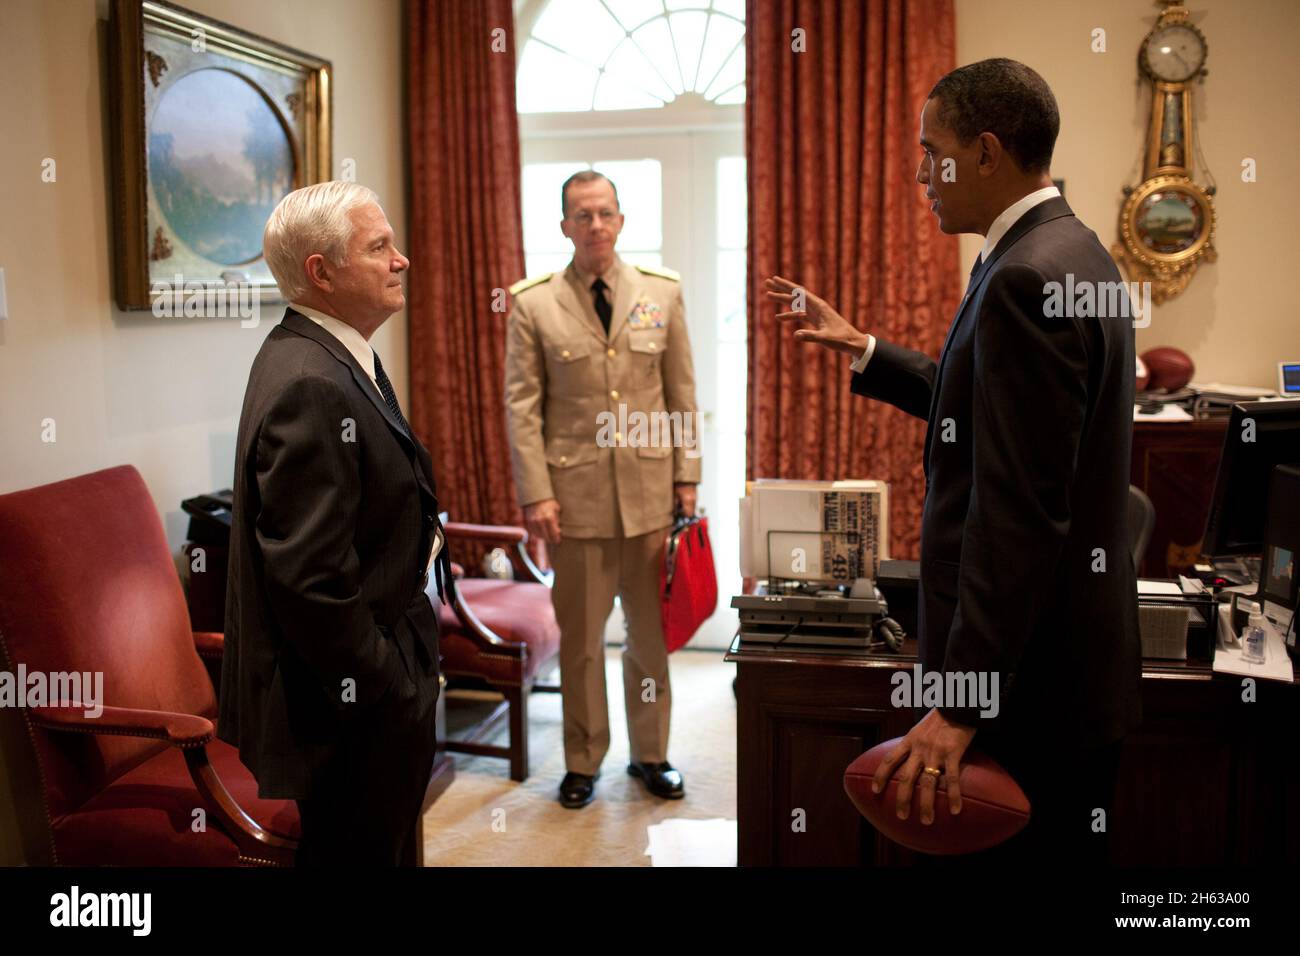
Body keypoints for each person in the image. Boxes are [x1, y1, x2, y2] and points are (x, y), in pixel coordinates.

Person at [767, 59, 1142, 863]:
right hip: (1069, 675)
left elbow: (1020, 515)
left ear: (984, 151)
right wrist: (868, 348)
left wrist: (965, 701)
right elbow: (985, 409)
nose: (917, 173)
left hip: (1027, 694)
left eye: (928, 151)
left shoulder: (1025, 279)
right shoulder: (1069, 253)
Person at [219, 181, 450, 866]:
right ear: (321, 272)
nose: (401, 260)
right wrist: (382, 684)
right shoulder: (311, 381)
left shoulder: (334, 352)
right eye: (379, 247)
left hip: (379, 675)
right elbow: (311, 579)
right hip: (350, 710)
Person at [505, 170, 702, 809]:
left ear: (621, 221)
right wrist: (536, 494)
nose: (595, 225)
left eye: (605, 213)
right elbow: (522, 407)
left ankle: (651, 755)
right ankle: (583, 760)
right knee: (583, 645)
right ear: (564, 226)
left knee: (649, 642)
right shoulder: (533, 303)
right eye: (582, 215)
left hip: (648, 496)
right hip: (575, 500)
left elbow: (682, 395)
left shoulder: (661, 294)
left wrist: (687, 476)